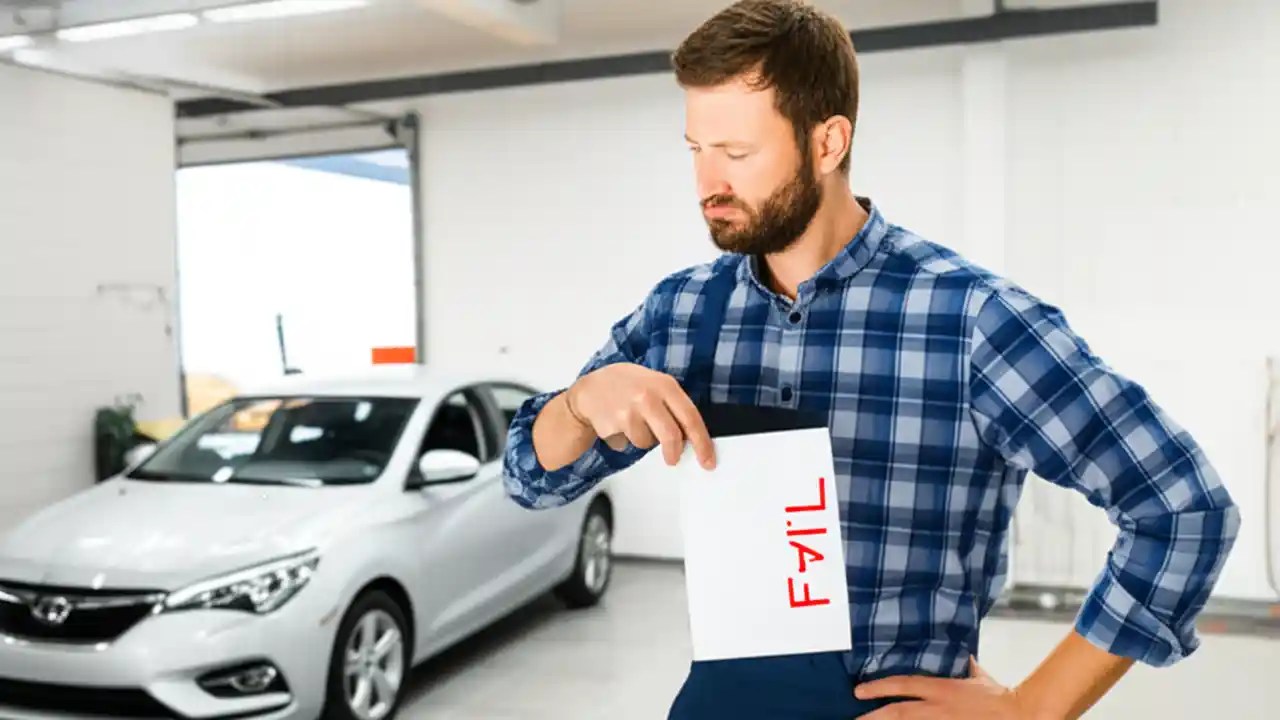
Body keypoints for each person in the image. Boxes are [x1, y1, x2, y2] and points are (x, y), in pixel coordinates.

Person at [501, 1, 1241, 718]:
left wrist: (1036, 707)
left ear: (827, 144)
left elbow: (1183, 507)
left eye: (737, 153)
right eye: (696, 150)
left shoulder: (971, 320)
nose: (707, 185)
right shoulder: (682, 313)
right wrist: (578, 403)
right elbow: (528, 479)